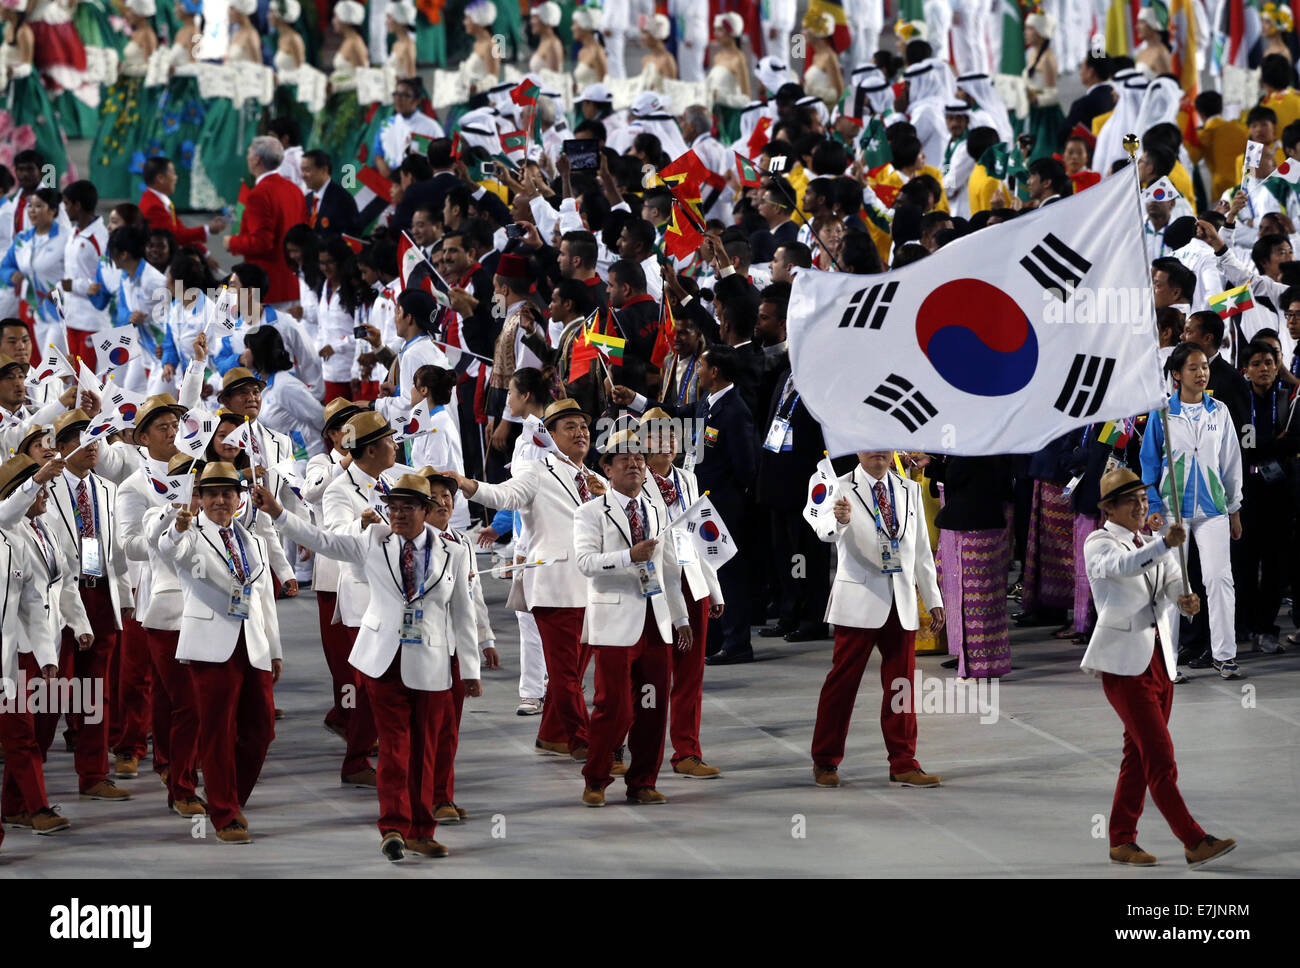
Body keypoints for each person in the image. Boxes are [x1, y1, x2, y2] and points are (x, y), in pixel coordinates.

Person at [256, 471, 477, 861]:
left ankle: (421, 831)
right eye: (392, 506)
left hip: (431, 663)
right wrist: (278, 514)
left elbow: (463, 613)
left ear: (426, 510)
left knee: (424, 749)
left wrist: (471, 670)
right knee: (395, 745)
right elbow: (324, 540)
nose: (397, 514)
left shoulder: (454, 553)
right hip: (382, 661)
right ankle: (393, 826)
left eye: (407, 507)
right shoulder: (374, 541)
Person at [1082, 467, 1236, 869]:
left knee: (1137, 755)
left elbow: (1169, 582)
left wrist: (1183, 599)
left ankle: (1121, 839)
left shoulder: (1152, 542)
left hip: (1160, 661)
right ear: (1109, 508)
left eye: (1144, 499)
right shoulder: (1098, 544)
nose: (1141, 506)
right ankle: (1193, 839)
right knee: (1160, 756)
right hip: (1123, 666)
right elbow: (1126, 567)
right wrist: (1164, 544)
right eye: (1131, 500)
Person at [443, 399, 605, 759]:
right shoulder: (537, 471)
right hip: (553, 585)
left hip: (592, 587)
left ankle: (550, 735)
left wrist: (606, 496)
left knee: (574, 673)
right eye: (570, 427)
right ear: (550, 434)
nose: (581, 433)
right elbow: (503, 495)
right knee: (564, 673)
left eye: (583, 426)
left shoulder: (594, 478)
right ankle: (583, 742)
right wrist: (467, 483)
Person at [157, 462, 282, 844]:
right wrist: (177, 527)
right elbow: (168, 549)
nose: (220, 501)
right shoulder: (190, 535)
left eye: (227, 494)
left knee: (261, 730)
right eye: (212, 494)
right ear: (201, 499)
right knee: (215, 732)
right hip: (210, 646)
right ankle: (225, 813)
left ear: (239, 499)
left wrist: (275, 649)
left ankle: (228, 798)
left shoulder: (254, 540)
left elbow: (263, 599)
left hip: (254, 643)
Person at [808, 450, 945, 788]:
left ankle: (903, 761)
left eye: (885, 444)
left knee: (902, 686)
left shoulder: (908, 489)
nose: (879, 452)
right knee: (842, 684)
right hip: (858, 600)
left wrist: (934, 598)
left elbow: (922, 550)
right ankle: (825, 761)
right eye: (870, 445)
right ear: (857, 449)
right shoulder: (839, 486)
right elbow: (821, 527)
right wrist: (838, 520)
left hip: (901, 601)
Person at [573, 427, 690, 807]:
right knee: (614, 707)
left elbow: (669, 568)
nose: (635, 465)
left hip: (656, 621)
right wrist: (628, 557)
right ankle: (596, 778)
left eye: (639, 459)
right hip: (614, 624)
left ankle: (643, 782)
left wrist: (681, 616)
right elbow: (585, 563)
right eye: (625, 459)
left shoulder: (656, 509)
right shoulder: (590, 513)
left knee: (653, 706)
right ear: (607, 468)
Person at [40, 409, 132, 801]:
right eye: (81, 438)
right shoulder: (44, 488)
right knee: (53, 692)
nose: (92, 445)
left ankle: (93, 774)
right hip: (61, 599)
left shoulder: (109, 490)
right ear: (61, 448)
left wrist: (124, 596)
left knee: (96, 690)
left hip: (100, 593)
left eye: (96, 437)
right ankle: (27, 778)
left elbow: (116, 552)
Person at [1141, 342, 1244, 680]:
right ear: (1175, 374)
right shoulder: (1161, 414)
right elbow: (1148, 463)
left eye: (1204, 367)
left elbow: (1230, 464)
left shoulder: (1220, 412)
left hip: (1213, 510)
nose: (1201, 373)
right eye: (1193, 368)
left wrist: (1234, 509)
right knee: (1172, 586)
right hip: (1173, 512)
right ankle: (1169, 663)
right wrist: (1153, 507)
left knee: (1219, 579)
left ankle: (1225, 656)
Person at [640, 410, 724, 778]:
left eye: (672, 437)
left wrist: (713, 589)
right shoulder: (634, 483)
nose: (669, 444)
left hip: (693, 583)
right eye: (659, 438)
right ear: (642, 445)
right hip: (655, 590)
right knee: (649, 675)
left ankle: (687, 751)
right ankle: (627, 747)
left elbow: (703, 534)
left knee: (691, 674)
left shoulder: (689, 479)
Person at [0, 454, 74, 837]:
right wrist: (35, 479)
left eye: (44, 485)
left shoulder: (37, 532)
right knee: (21, 737)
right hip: (10, 660)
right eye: (35, 487)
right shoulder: (3, 527)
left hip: (23, 654)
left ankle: (15, 806)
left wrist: (47, 655)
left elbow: (34, 601)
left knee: (30, 735)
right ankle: (38, 808)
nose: (44, 492)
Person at [1230, 339, 1297, 653]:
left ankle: (1266, 629)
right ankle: (1243, 624)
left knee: (1275, 564)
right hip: (1244, 493)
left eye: (1269, 362)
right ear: (1246, 370)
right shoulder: (1236, 402)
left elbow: (1292, 444)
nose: (1264, 369)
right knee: (1243, 562)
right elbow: (1238, 448)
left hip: (1279, 492)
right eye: (1257, 363)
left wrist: (1266, 447)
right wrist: (1273, 443)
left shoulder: (1287, 399)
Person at [694, 345, 756, 665]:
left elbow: (747, 465)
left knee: (729, 573)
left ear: (715, 372)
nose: (698, 370)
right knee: (713, 572)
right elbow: (680, 413)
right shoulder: (709, 403)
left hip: (725, 507)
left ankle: (738, 643)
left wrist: (730, 498)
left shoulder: (735, 410)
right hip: (707, 505)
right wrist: (636, 400)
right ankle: (716, 639)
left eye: (701, 365)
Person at [226, 136, 304, 306]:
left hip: (267, 288)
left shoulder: (259, 194)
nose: (247, 158)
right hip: (293, 285)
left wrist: (231, 242)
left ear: (256, 160)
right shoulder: (294, 190)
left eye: (248, 153)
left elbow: (261, 243)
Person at [1, 187, 65, 355]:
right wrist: (11, 276)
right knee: (48, 368)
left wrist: (61, 289)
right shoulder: (23, 238)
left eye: (38, 206)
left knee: (53, 367)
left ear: (52, 210)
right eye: (30, 206)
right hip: (38, 312)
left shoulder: (65, 238)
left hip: (61, 313)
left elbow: (77, 273)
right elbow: (6, 266)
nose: (32, 210)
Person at [138, 156, 225, 253]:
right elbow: (176, 237)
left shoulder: (158, 201)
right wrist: (209, 229)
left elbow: (181, 230)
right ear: (161, 178)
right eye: (173, 173)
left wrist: (205, 253)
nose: (176, 178)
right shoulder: (153, 207)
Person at [302, 150, 359, 240]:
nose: (303, 175)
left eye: (307, 170)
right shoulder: (306, 200)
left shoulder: (343, 200)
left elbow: (350, 237)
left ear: (324, 170)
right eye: (302, 170)